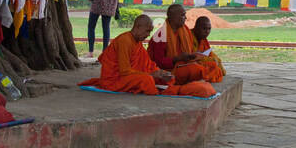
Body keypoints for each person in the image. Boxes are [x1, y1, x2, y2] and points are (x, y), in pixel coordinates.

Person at [79, 15, 214, 96]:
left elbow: (148, 64)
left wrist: (158, 72)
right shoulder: (125, 40)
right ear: (137, 27)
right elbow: (124, 71)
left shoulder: (137, 43)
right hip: (114, 80)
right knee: (147, 81)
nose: (148, 34)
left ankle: (166, 87)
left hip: (129, 76)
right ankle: (162, 91)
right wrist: (151, 76)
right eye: (147, 30)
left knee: (164, 78)